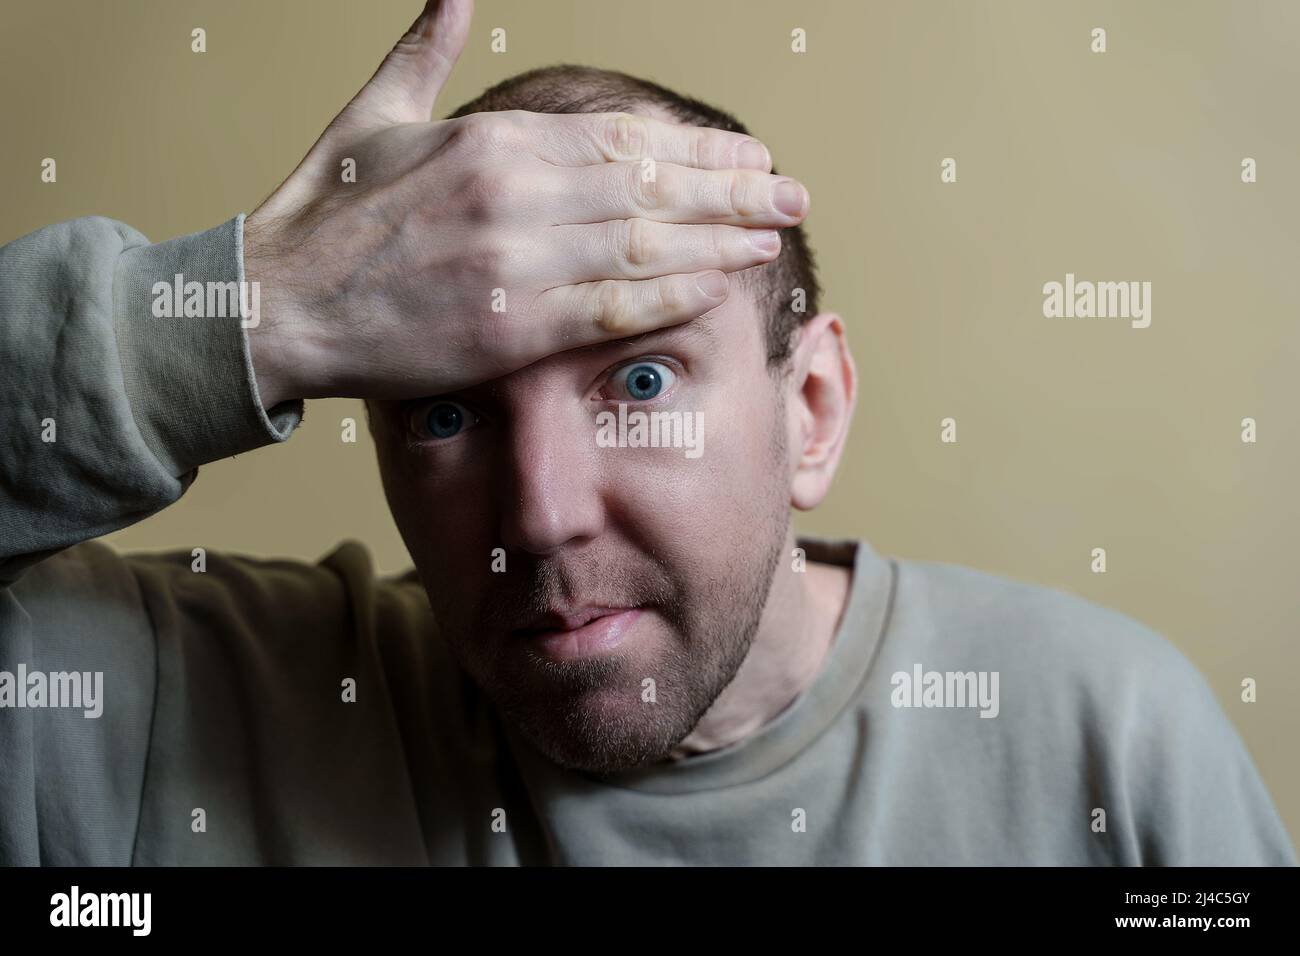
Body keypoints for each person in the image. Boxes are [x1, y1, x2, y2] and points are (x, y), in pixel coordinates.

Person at [0, 0, 1292, 866]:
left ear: (812, 411)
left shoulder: (1109, 735)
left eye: (642, 384)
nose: (541, 514)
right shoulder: (167, 708)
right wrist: (242, 311)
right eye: (444, 411)